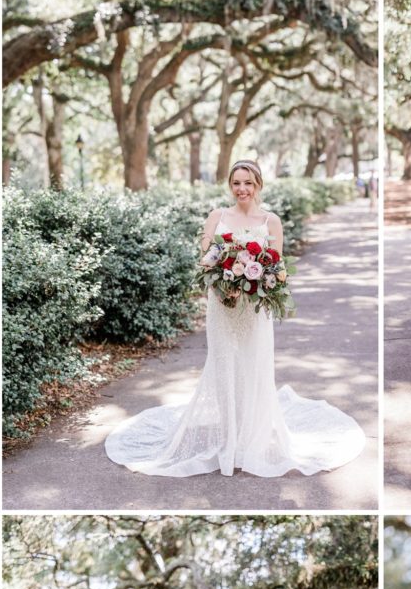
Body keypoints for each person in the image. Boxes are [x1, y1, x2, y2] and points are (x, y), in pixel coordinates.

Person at [104, 159, 365, 476]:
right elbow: (205, 262)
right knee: (224, 362)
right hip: (222, 307)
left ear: (258, 186)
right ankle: (229, 435)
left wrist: (254, 284)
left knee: (253, 364)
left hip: (254, 309)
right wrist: (223, 285)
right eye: (237, 183)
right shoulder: (217, 217)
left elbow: (277, 269)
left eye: (248, 183)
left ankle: (251, 436)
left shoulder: (270, 222)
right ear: (230, 186)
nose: (242, 189)